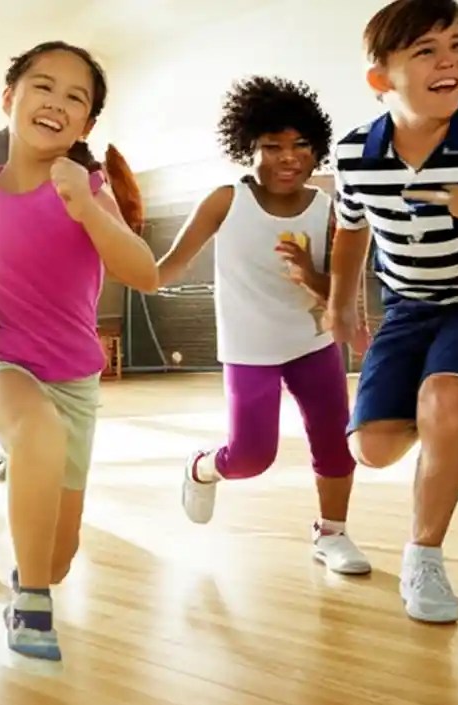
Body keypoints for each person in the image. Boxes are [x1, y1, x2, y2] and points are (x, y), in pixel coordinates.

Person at [0, 41, 157, 660]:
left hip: (74, 379)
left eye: (75, 98)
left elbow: (145, 273)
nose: (56, 103)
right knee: (35, 431)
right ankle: (32, 604)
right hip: (0, 362)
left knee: (57, 558)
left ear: (86, 123)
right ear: (10, 98)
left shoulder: (89, 188)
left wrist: (86, 207)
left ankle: (33, 578)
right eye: (43, 86)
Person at [327, 0, 458, 623]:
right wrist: (343, 303)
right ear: (381, 78)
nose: (450, 61)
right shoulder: (353, 155)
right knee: (372, 448)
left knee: (444, 397)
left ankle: (424, 556)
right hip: (410, 308)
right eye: (426, 50)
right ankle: (452, 404)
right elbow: (349, 230)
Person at [156, 76, 371, 575]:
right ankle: (201, 468)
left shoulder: (330, 207)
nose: (288, 157)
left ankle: (332, 533)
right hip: (249, 347)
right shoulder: (225, 201)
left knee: (334, 443)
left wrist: (308, 272)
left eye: (300, 146)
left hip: (311, 343)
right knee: (251, 458)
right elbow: (169, 266)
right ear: (247, 148)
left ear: (316, 150)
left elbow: (336, 291)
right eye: (271, 146)